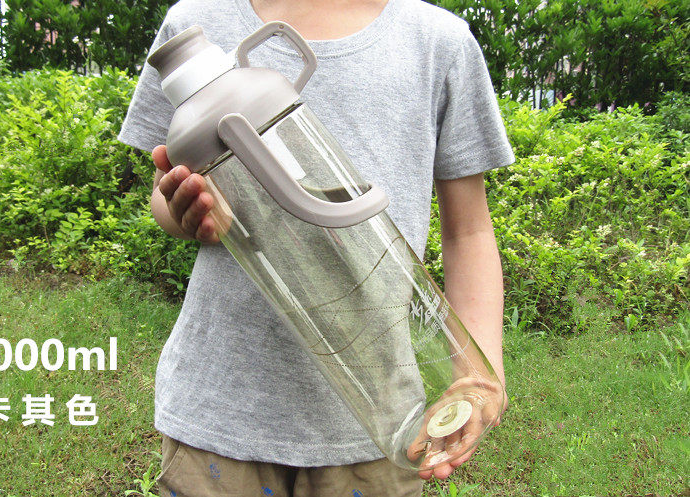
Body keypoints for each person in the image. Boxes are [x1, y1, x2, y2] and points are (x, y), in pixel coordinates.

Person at [118, 0, 513, 495]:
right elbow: (162, 190)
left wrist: (481, 372)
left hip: (387, 417)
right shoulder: (195, 19)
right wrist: (185, 210)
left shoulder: (438, 42)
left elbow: (468, 232)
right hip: (219, 411)